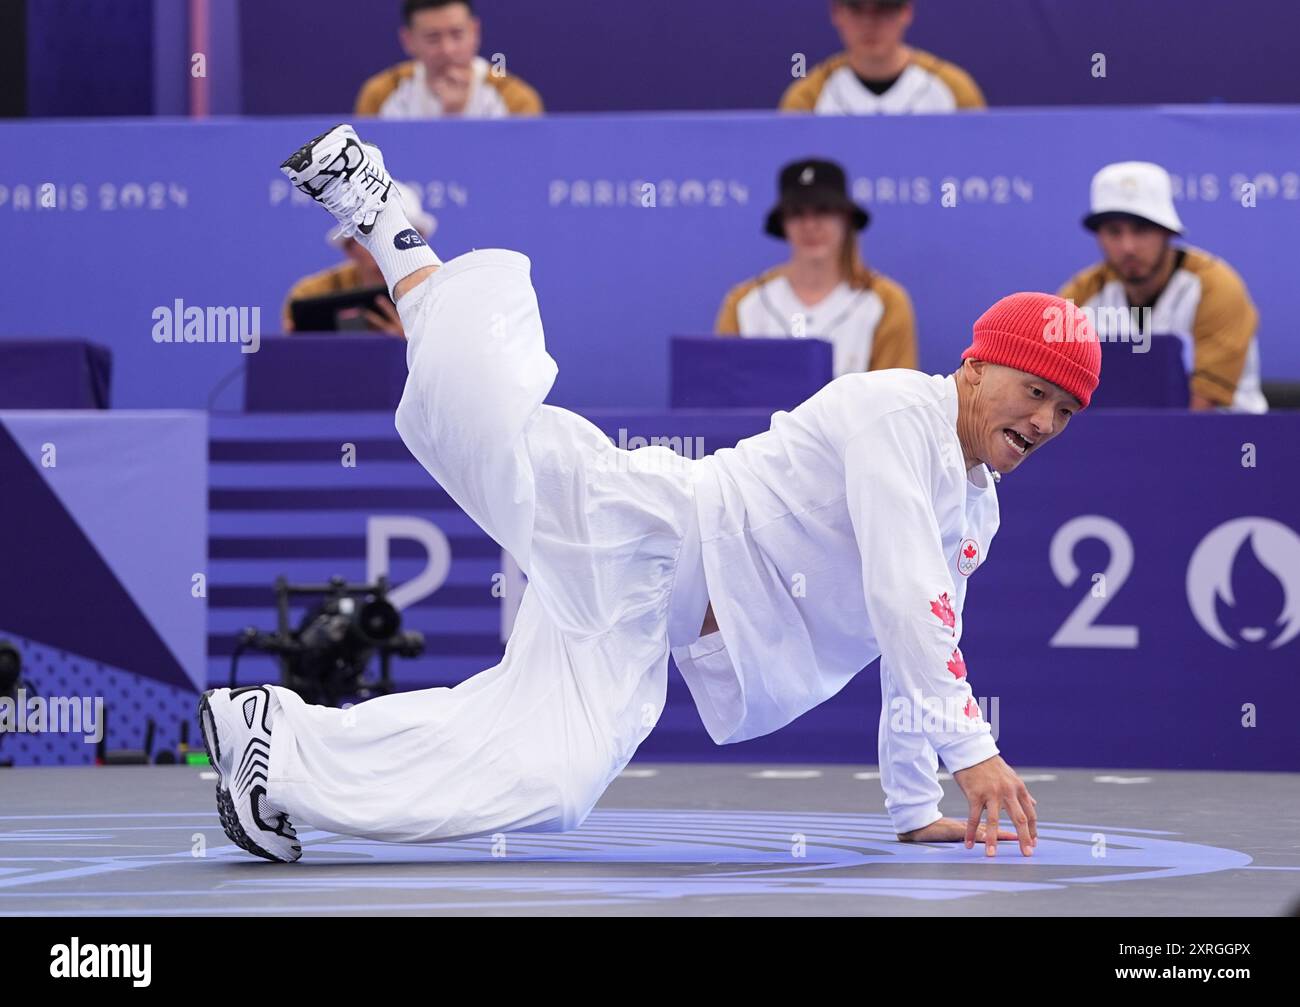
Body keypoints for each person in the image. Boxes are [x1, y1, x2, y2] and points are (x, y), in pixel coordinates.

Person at [199, 124, 1100, 864]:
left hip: (643, 621)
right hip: (648, 530)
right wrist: (975, 755)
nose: (1048, 420)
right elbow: (903, 599)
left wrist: (914, 803)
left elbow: (929, 633)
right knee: (475, 417)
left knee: (548, 782)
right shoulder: (894, 410)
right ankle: (381, 210)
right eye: (1035, 392)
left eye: (1066, 410)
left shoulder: (974, 506)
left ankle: (271, 747)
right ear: (976, 368)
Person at [1059, 161, 1266, 412]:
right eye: (1114, 232)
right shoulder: (1081, 293)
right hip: (1122, 440)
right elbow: (1051, 389)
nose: (1128, 247)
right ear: (1099, 237)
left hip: (1228, 439)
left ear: (1167, 231)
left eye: (1141, 230)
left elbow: (1201, 408)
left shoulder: (1217, 286)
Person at [715, 158, 917, 376]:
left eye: (824, 210)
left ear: (846, 218)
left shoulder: (886, 301)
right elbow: (723, 390)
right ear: (783, 222)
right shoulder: (744, 302)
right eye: (797, 213)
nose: (810, 225)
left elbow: (896, 399)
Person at [281, 182, 435, 335]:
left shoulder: (442, 291)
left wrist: (412, 344)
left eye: (403, 234)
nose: (389, 245)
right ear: (349, 247)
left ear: (420, 242)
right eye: (374, 235)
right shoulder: (310, 293)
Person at [781, 0, 984, 115]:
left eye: (884, 9)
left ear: (906, 12)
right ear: (837, 12)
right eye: (856, 9)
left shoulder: (954, 89)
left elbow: (979, 164)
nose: (869, 23)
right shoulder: (807, 97)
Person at [355, 0, 542, 119]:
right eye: (433, 38)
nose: (447, 50)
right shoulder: (380, 95)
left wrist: (454, 117)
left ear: (475, 32)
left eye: (457, 34)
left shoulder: (515, 99)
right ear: (408, 40)